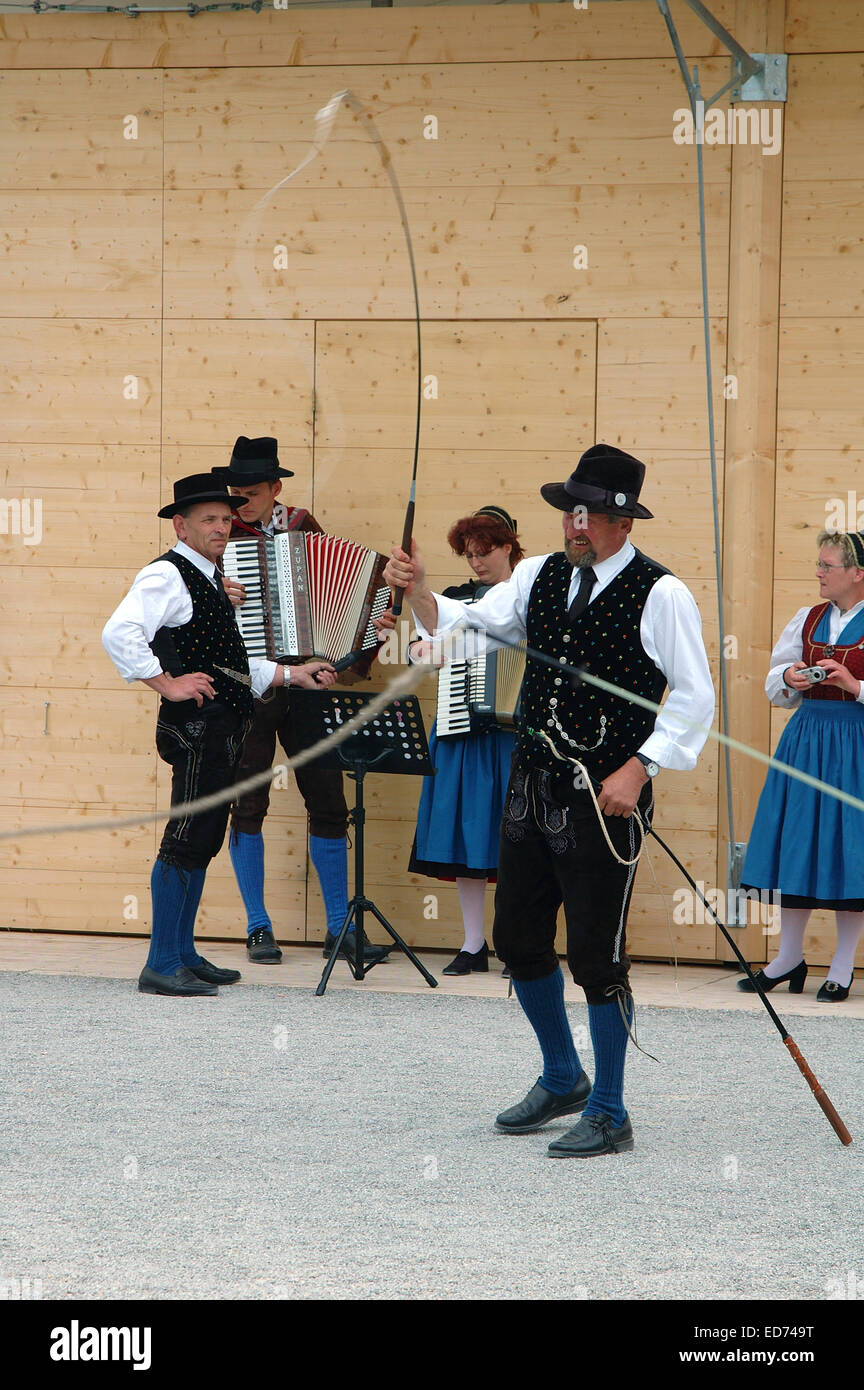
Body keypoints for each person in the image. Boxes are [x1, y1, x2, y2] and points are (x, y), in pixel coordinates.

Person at [385, 444, 714, 1157]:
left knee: (597, 955)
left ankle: (611, 1107)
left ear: (623, 521)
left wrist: (640, 768)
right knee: (519, 940)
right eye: (572, 510)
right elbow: (466, 623)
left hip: (605, 799)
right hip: (531, 787)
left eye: (592, 513)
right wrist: (416, 593)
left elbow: (694, 696)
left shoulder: (662, 594)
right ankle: (562, 1074)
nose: (577, 524)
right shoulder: (537, 575)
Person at [102, 473, 335, 997]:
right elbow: (119, 632)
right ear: (181, 526)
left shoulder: (208, 577)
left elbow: (229, 665)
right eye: (209, 519)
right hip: (197, 729)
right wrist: (168, 682)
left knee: (202, 841)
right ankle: (162, 961)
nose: (221, 527)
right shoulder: (167, 575)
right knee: (185, 841)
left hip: (220, 729)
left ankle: (182, 952)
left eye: (227, 519)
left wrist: (292, 673)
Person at [214, 436, 387, 968]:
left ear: (275, 489)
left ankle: (340, 928)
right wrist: (220, 594)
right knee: (248, 804)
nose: (238, 503)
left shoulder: (304, 527)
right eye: (234, 492)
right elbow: (188, 609)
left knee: (329, 802)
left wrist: (368, 627)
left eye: (249, 493)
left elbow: (353, 586)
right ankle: (257, 926)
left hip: (307, 686)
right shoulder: (218, 536)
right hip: (249, 687)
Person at [738, 529, 864, 1003]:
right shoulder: (807, 618)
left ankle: (842, 964)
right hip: (807, 739)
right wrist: (790, 678)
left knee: (851, 848)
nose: (819, 573)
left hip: (857, 743)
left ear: (857, 572)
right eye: (819, 564)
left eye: (827, 565)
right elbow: (776, 687)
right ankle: (788, 956)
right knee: (799, 842)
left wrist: (854, 685)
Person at [408, 506, 525, 976]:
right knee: (466, 835)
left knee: (518, 839)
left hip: (514, 733)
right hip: (461, 731)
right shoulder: (455, 599)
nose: (477, 563)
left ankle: (518, 942)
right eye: (470, 555)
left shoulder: (530, 596)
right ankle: (473, 943)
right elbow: (423, 640)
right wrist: (421, 648)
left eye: (486, 551)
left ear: (510, 545)